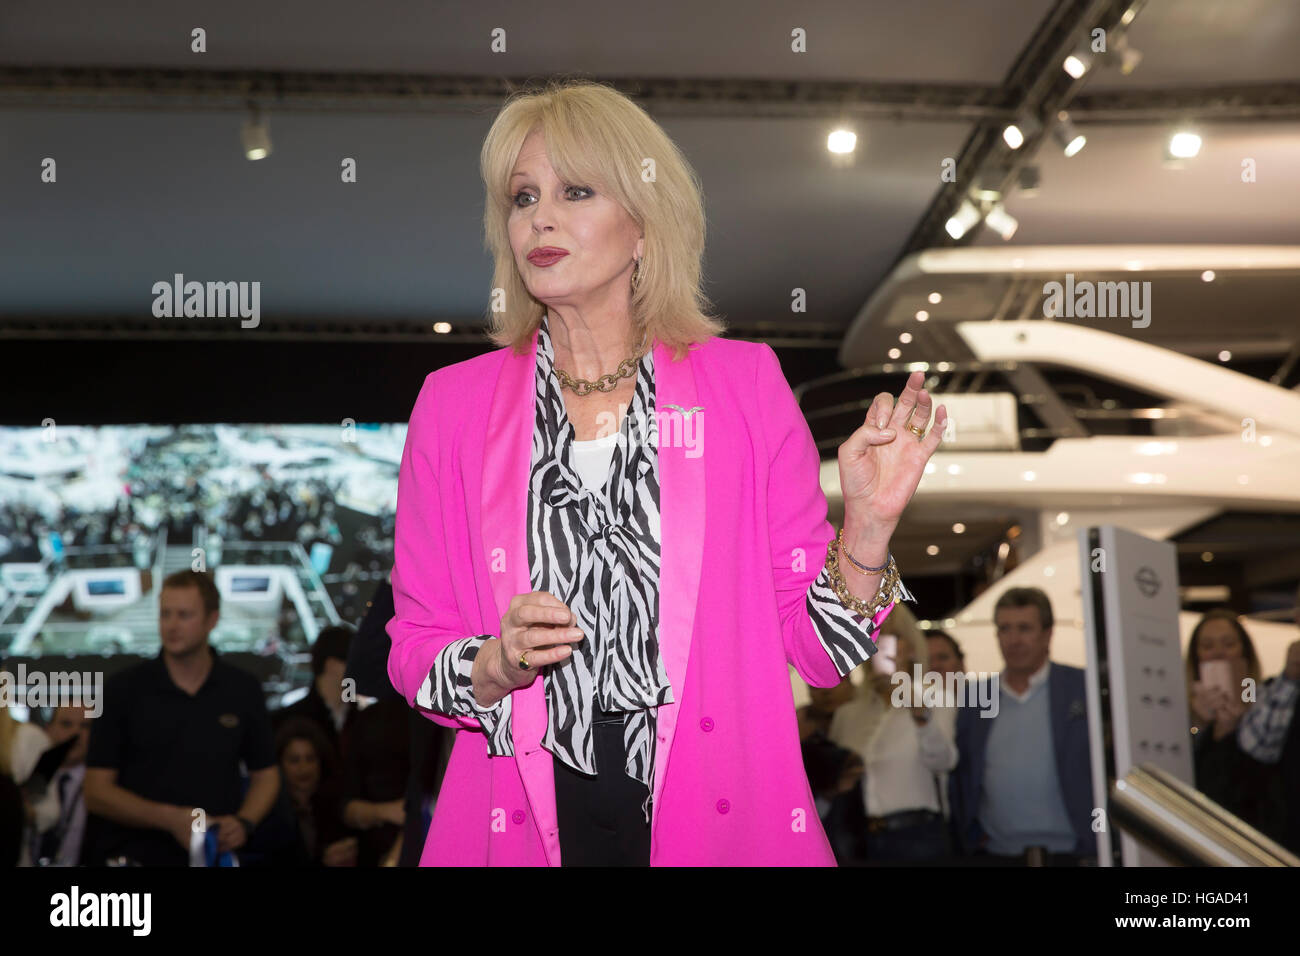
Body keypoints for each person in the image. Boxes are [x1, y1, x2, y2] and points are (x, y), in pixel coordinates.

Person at [385, 78, 946, 866]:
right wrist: (491, 663)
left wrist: (870, 527)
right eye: (521, 197)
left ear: (645, 226)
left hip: (718, 810)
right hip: (517, 811)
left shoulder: (743, 387)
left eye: (575, 190)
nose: (540, 216)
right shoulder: (451, 407)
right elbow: (413, 647)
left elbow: (817, 653)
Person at [83, 570, 280, 865]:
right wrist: (170, 819)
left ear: (212, 620)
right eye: (165, 614)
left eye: (184, 615)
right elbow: (96, 790)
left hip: (214, 856)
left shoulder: (242, 688)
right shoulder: (122, 689)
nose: (172, 625)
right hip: (134, 859)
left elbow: (266, 774)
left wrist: (244, 822)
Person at [949, 587, 1096, 864]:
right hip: (998, 854)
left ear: (1048, 634)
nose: (1014, 640)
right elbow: (962, 775)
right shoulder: (977, 697)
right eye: (1005, 629)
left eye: (1025, 628)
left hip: (1074, 854)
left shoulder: (1082, 688)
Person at [830, 603, 956, 863]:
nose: (878, 648)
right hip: (859, 843)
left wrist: (914, 704)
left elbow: (943, 761)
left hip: (919, 838)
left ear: (909, 647)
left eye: (888, 638)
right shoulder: (849, 714)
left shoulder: (935, 697)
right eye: (869, 638)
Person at [1186, 608, 1285, 842]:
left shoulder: (1266, 708)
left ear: (1245, 653)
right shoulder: (1185, 718)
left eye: (1229, 644)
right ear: (1197, 657)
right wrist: (1199, 727)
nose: (1218, 653)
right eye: (1207, 646)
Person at [1238, 625, 1300, 854]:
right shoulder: (1259, 686)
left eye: (1229, 644)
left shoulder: (1253, 683)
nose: (1220, 653)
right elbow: (1258, 745)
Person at [272, 624, 355, 756]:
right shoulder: (286, 723)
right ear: (332, 665)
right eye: (354, 662)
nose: (361, 670)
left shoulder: (363, 719)